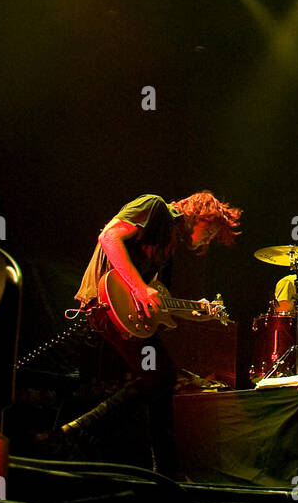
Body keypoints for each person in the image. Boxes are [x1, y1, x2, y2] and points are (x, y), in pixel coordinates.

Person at [63, 191, 242, 476]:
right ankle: (83, 430)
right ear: (201, 215)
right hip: (106, 303)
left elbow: (155, 301)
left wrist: (192, 310)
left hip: (124, 311)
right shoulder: (154, 206)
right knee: (162, 377)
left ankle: (161, 468)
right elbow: (109, 237)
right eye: (210, 232)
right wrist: (138, 287)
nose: (208, 241)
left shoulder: (167, 244)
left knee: (157, 382)